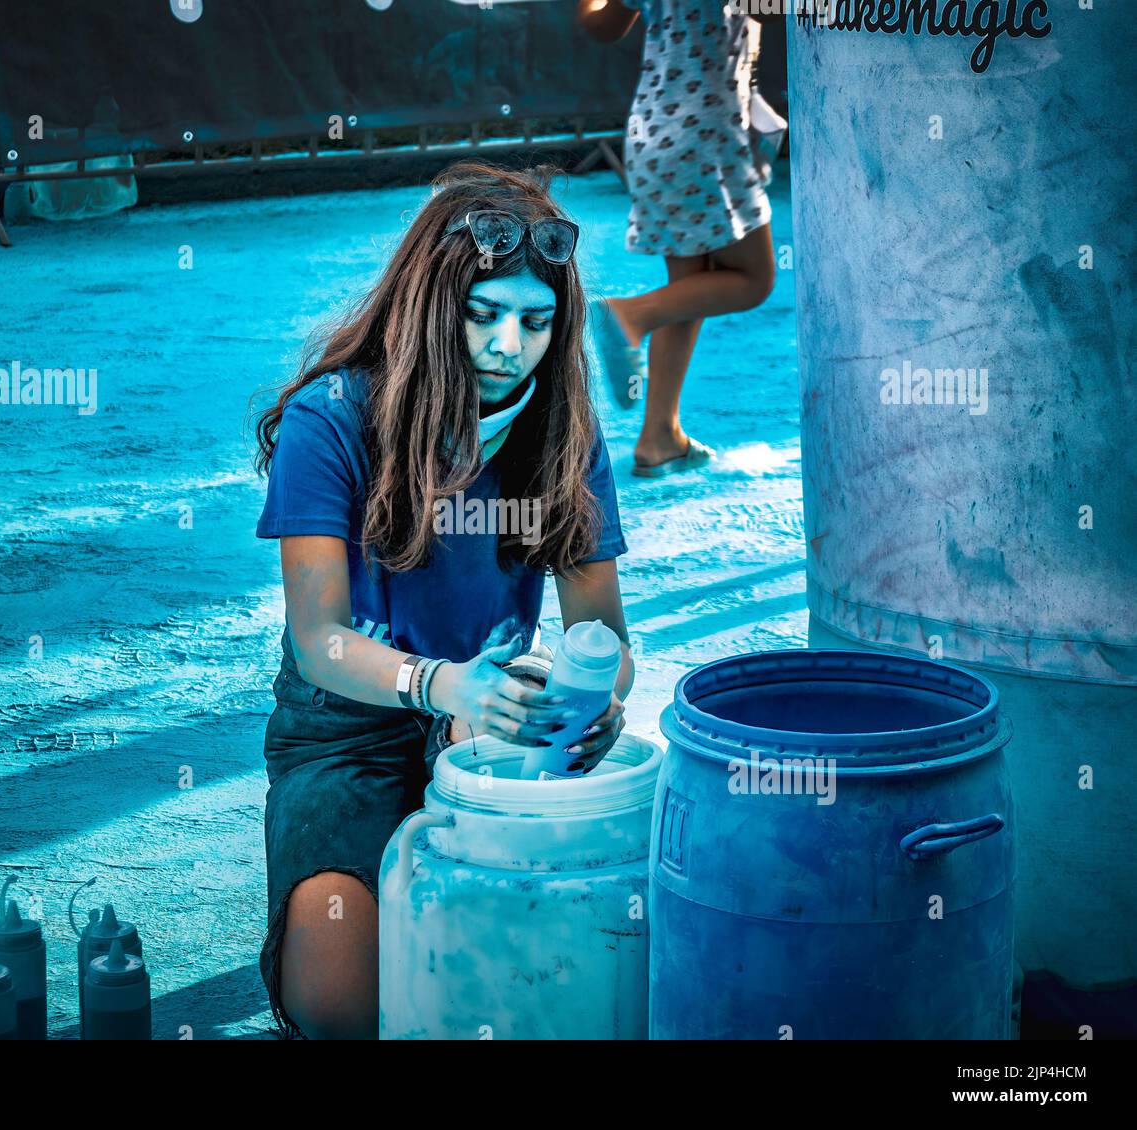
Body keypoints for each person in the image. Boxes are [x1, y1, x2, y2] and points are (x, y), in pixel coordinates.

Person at [252, 161, 635, 1039]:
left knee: (525, 985)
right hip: (340, 728)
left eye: (537, 321)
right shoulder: (332, 419)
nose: (510, 344)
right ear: (431, 308)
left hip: (490, 733)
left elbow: (603, 638)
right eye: (485, 314)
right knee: (341, 1011)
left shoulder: (563, 435)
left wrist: (595, 702)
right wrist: (441, 684)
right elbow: (319, 641)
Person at [581, 0, 782, 476]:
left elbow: (603, 25)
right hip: (708, 138)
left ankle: (659, 438)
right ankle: (630, 315)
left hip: (656, 131)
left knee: (691, 286)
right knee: (755, 278)